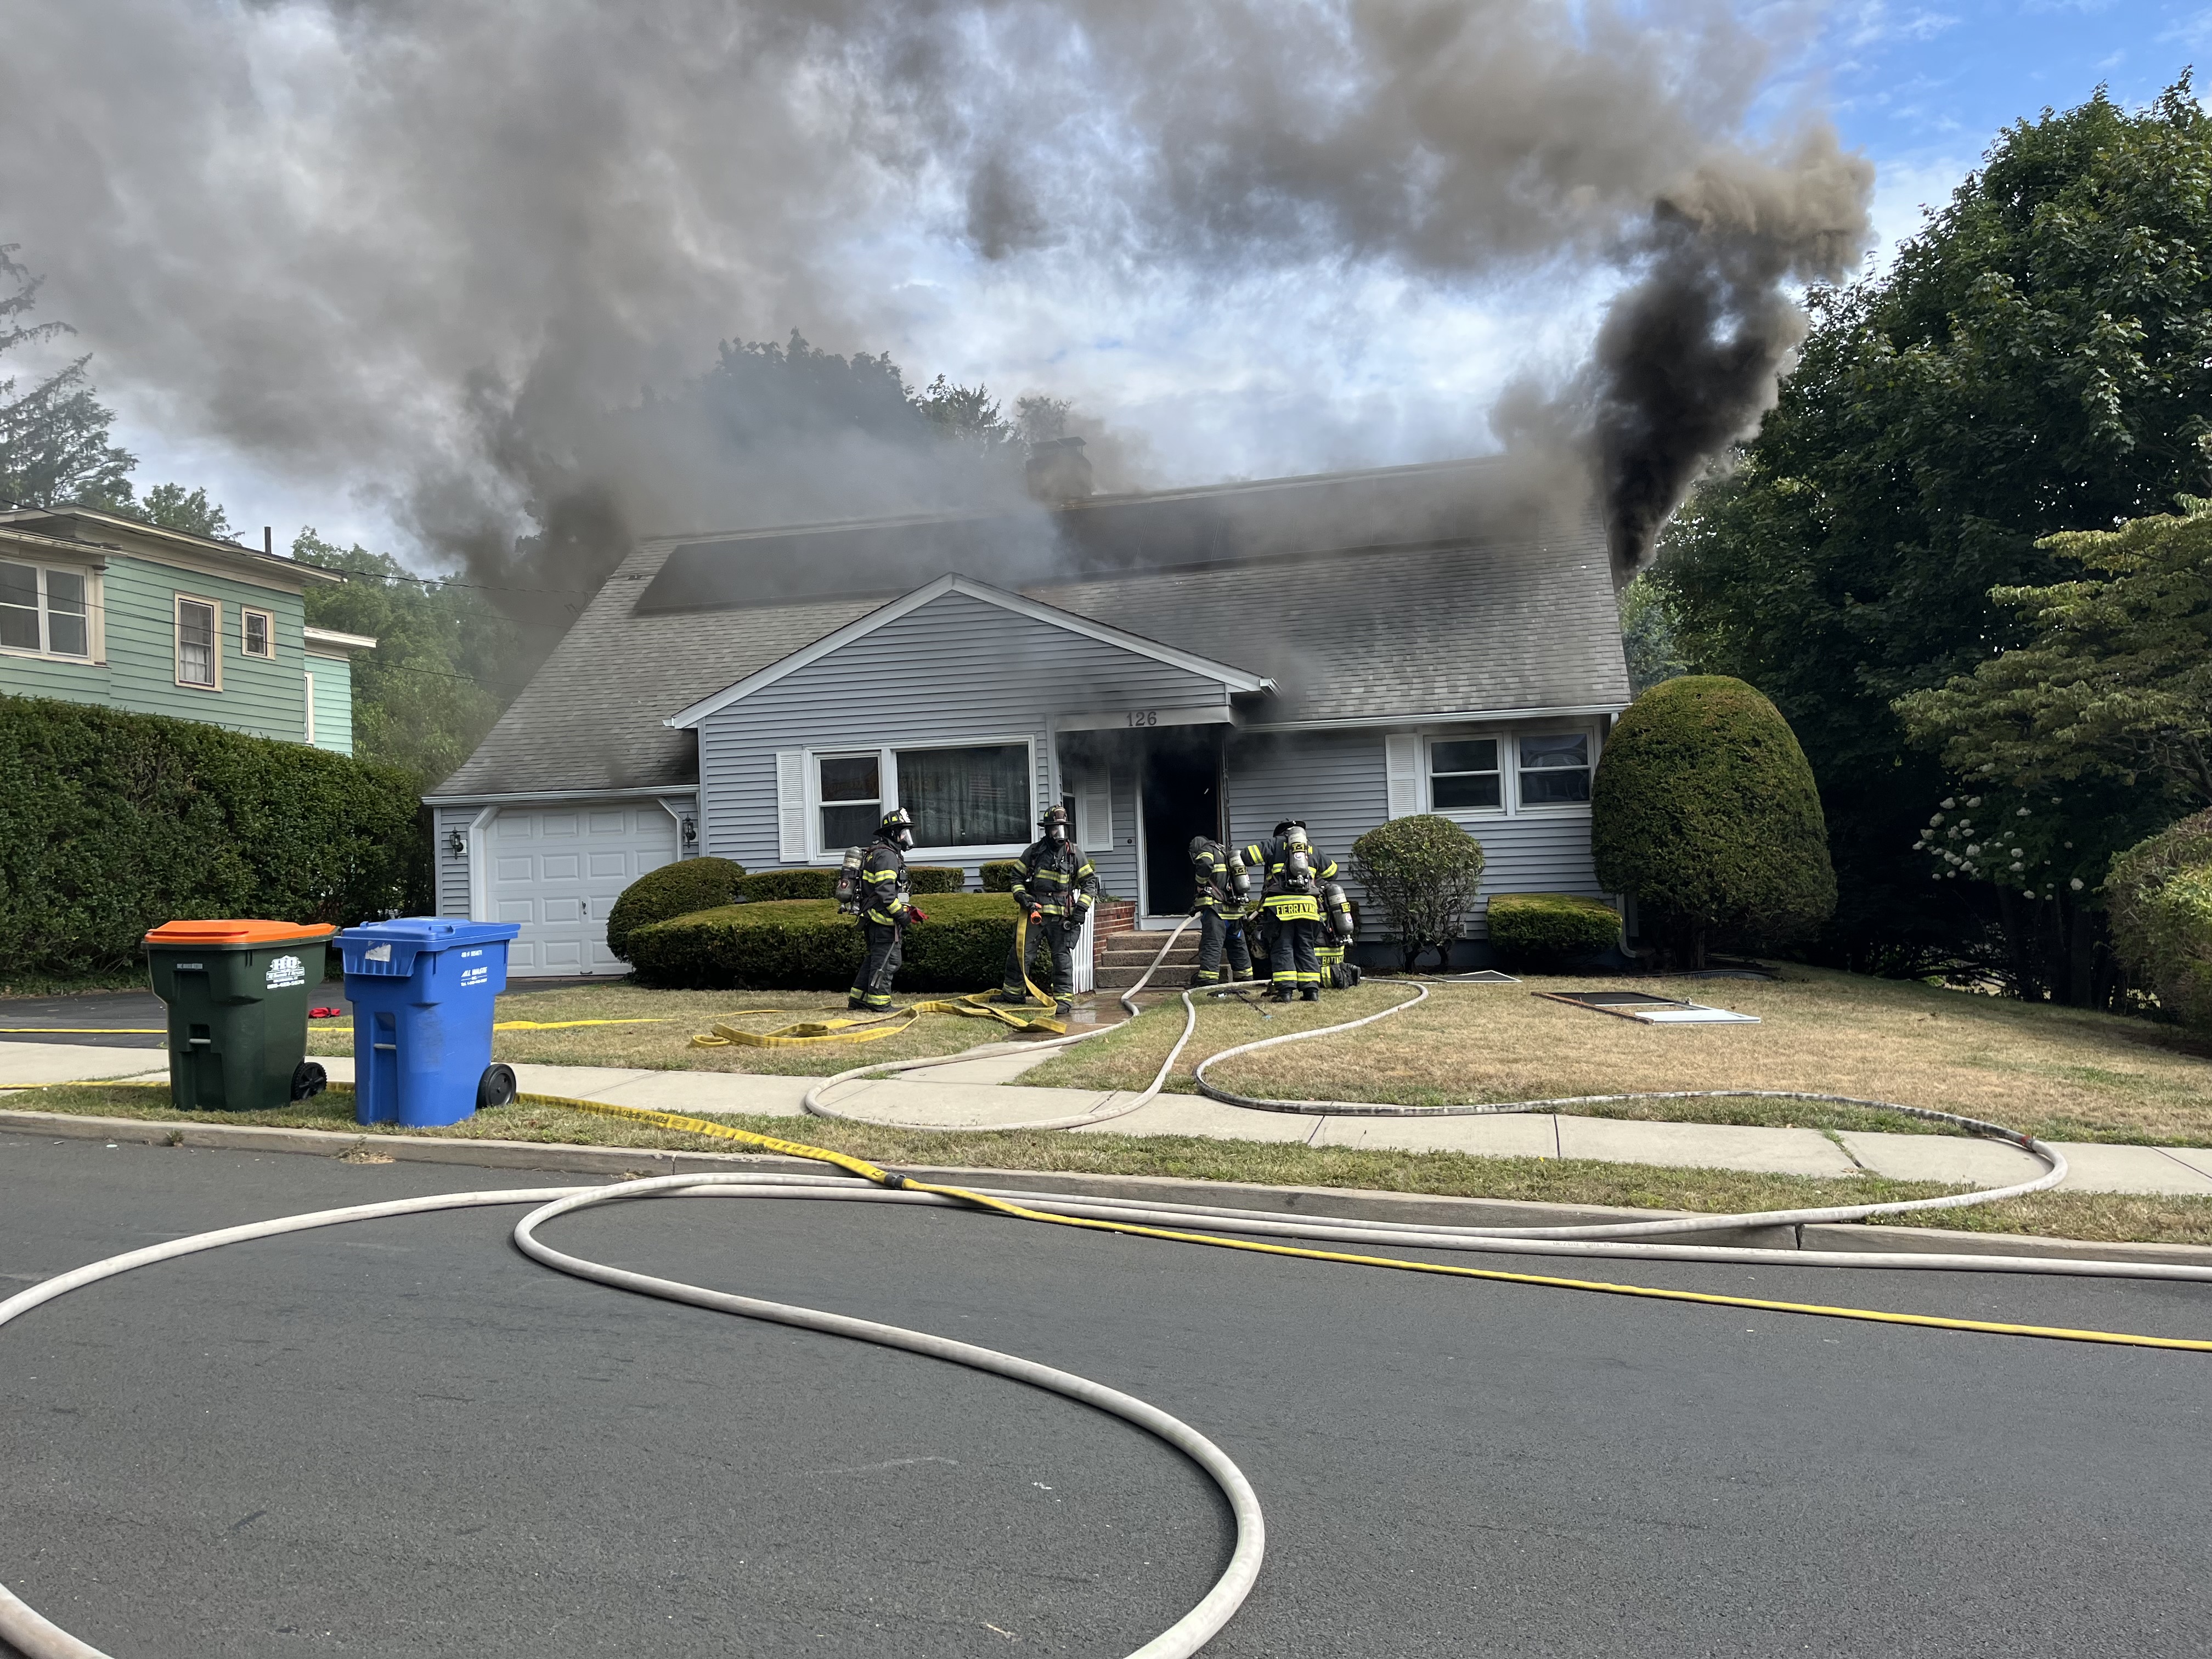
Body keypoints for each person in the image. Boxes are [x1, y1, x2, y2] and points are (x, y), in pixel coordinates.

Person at [998, 804, 1099, 1015]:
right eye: (1055, 829)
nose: (1059, 834)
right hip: (1035, 916)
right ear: (1047, 830)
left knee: (1062, 958)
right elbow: (1016, 878)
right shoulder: (1034, 852)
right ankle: (1012, 994)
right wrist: (1023, 897)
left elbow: (1090, 883)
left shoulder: (1075, 855)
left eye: (1062, 828)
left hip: (1063, 918)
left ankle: (1063, 1000)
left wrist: (1081, 907)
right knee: (1020, 954)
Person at [1235, 820, 1339, 1001]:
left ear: (1282, 834)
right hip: (1309, 909)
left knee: (1282, 947)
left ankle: (1285, 993)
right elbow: (1333, 872)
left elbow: (1246, 856)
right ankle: (1311, 991)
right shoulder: (1311, 848)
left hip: (1279, 909)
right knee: (1306, 948)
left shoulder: (1274, 843)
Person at [847, 808, 921, 1012]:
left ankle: (859, 999)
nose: (906, 837)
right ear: (892, 834)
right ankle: (880, 1003)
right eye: (903, 832)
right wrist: (902, 915)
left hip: (873, 918)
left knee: (874, 959)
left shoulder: (876, 853)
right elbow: (886, 893)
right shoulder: (887, 856)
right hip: (883, 921)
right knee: (888, 961)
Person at [1187, 834, 1252, 986]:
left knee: (1212, 944)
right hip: (1235, 911)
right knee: (1237, 944)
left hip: (1216, 911)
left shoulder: (1206, 850)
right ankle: (1245, 978)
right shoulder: (1224, 852)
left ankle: (1207, 980)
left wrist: (1200, 884)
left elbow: (1205, 864)